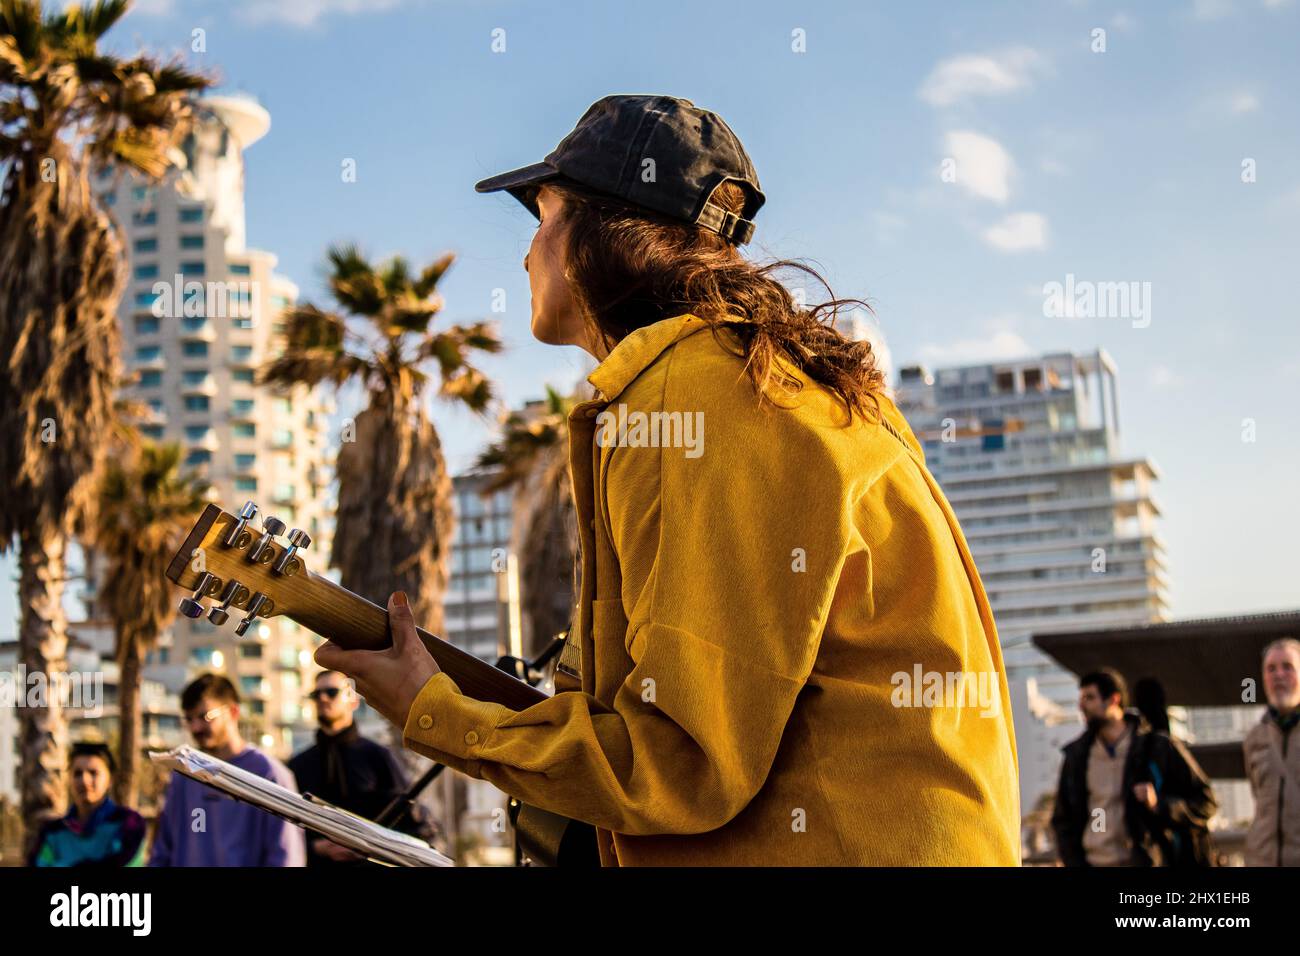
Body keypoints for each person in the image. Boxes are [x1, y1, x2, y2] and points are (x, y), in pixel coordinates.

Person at [316, 93, 1020, 865]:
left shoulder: (695, 399)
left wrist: (434, 710)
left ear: (601, 232)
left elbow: (681, 761)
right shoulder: (774, 384)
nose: (526, 253)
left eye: (542, 218)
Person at [1051, 669, 1217, 866]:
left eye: (1089, 697)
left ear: (1113, 700)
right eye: (1081, 698)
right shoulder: (1075, 757)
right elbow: (1063, 821)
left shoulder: (1158, 748)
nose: (1081, 706)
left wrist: (1159, 805)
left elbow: (1205, 802)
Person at [150, 674, 305, 866]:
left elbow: (286, 857)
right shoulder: (183, 775)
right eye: (189, 719)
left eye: (204, 717)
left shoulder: (270, 775)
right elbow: (162, 851)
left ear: (233, 712)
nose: (195, 727)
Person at [288, 670, 438, 866]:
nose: (323, 699)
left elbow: (414, 824)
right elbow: (283, 830)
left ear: (353, 701)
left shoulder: (378, 757)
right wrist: (317, 848)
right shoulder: (298, 765)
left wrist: (369, 844)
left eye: (332, 692)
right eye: (317, 694)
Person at [28, 742, 147, 867]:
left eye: (93, 773)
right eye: (77, 773)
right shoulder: (52, 832)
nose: (84, 780)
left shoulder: (129, 825)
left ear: (110, 779)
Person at [1243, 637, 1300, 866]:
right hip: (1262, 859)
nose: (1278, 675)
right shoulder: (1254, 738)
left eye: (1288, 667)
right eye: (1271, 669)